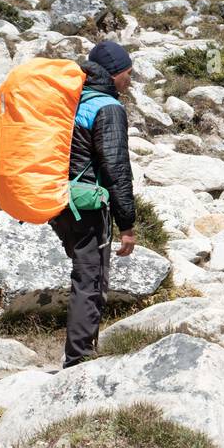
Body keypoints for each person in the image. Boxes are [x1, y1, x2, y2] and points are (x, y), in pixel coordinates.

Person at [49, 39, 137, 367]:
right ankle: (79, 362)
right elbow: (116, 170)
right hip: (87, 205)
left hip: (59, 200)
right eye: (128, 73)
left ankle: (82, 351)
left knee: (85, 275)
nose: (130, 80)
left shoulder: (73, 101)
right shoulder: (107, 108)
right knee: (91, 280)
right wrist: (127, 224)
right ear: (114, 74)